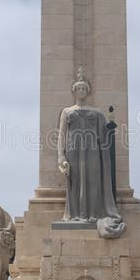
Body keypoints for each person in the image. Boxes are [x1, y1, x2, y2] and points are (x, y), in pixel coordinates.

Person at [58, 69, 125, 238]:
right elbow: (61, 135)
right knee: (75, 183)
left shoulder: (97, 112)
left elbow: (104, 134)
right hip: (73, 150)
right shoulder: (67, 111)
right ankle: (75, 215)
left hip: (92, 151)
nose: (81, 91)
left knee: (94, 180)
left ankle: (94, 214)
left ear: (88, 91)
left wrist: (110, 128)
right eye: (78, 88)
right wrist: (61, 157)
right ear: (74, 91)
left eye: (84, 88)